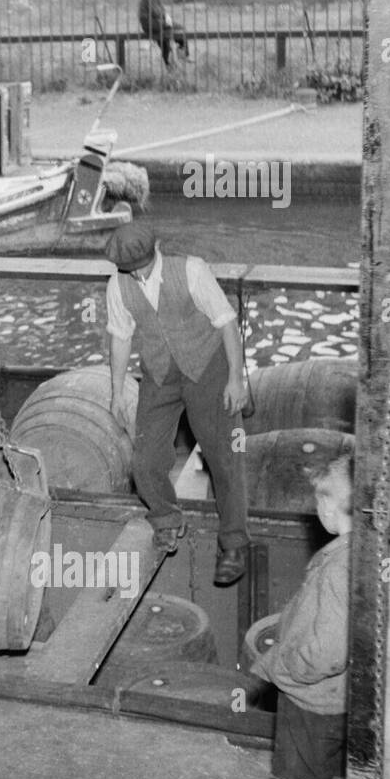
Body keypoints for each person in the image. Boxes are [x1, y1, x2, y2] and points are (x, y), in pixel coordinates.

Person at [105, 221, 251, 586]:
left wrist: (235, 378)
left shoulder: (192, 270)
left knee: (224, 456)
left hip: (207, 366)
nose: (138, 273)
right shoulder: (118, 286)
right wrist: (116, 390)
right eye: (130, 268)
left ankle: (234, 544)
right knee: (145, 459)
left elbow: (227, 323)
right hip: (159, 374)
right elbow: (120, 338)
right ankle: (167, 519)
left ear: (158, 247)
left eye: (143, 263)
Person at [250, 455, 352, 779]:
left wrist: (291, 666)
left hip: (313, 698)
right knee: (326, 776)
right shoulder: (358, 551)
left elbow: (331, 650)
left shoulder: (339, 567)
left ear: (328, 507)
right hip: (334, 695)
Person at [138, 0, 189, 67]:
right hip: (150, 23)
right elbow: (155, 11)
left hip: (157, 21)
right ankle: (173, 59)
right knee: (169, 31)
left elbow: (161, 9)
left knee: (180, 28)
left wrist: (166, 16)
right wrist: (165, 17)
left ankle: (181, 55)